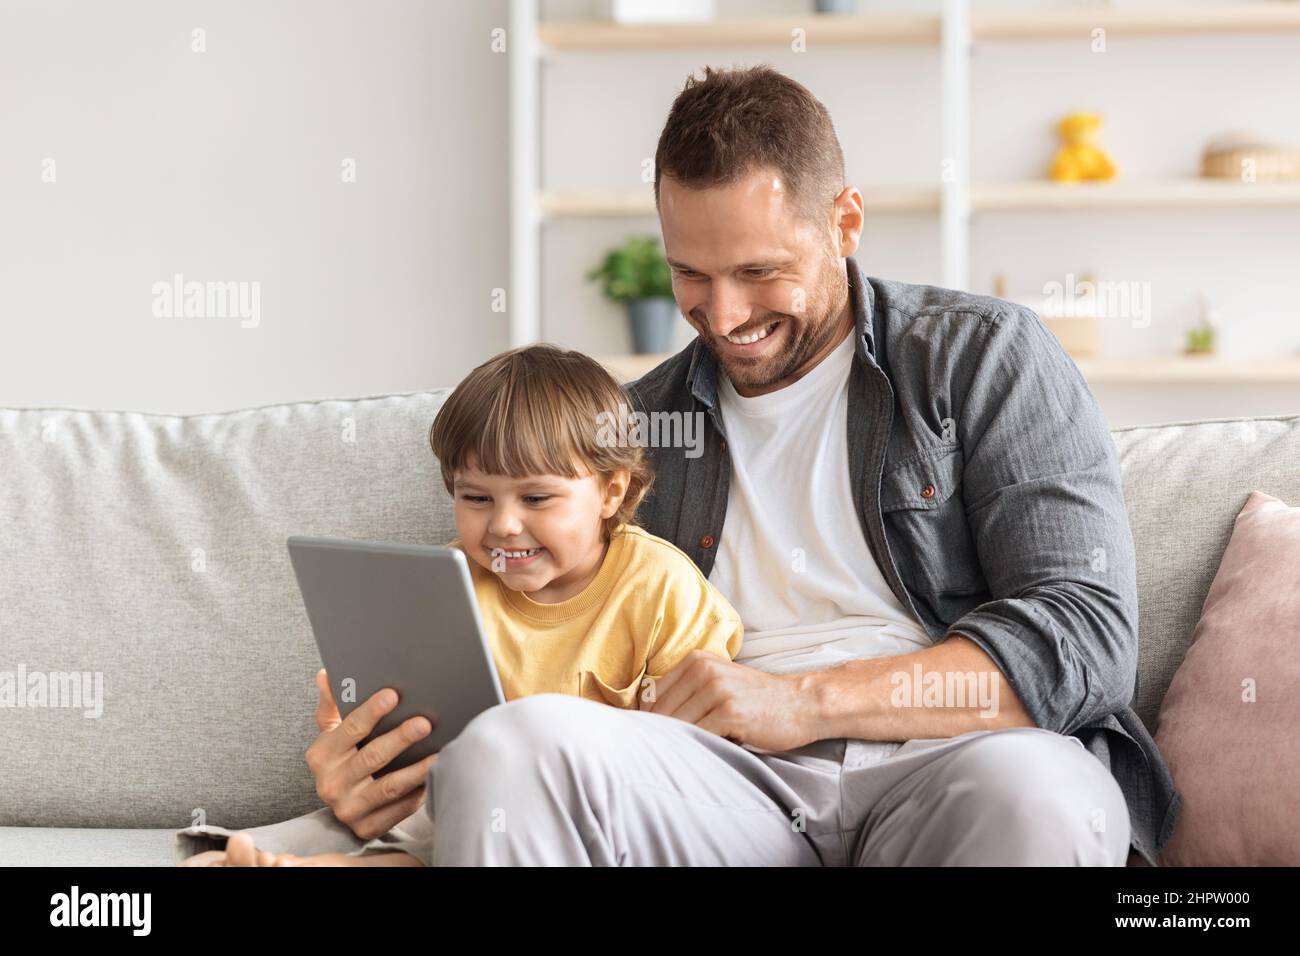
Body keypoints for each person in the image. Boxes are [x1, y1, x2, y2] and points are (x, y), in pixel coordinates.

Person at [203, 64, 1181, 867]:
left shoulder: (982, 356)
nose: (723, 316)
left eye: (759, 271)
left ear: (843, 222)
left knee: (1040, 792)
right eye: (689, 276)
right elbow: (536, 632)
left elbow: (1082, 641)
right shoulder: (639, 426)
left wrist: (803, 699)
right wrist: (390, 773)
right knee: (510, 748)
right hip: (727, 785)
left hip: (958, 759)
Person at [179, 344, 743, 866]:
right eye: (475, 498)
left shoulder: (662, 587)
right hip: (444, 804)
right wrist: (363, 731)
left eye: (536, 498)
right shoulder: (445, 583)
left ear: (612, 492)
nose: (502, 525)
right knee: (373, 832)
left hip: (584, 818)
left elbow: (690, 766)